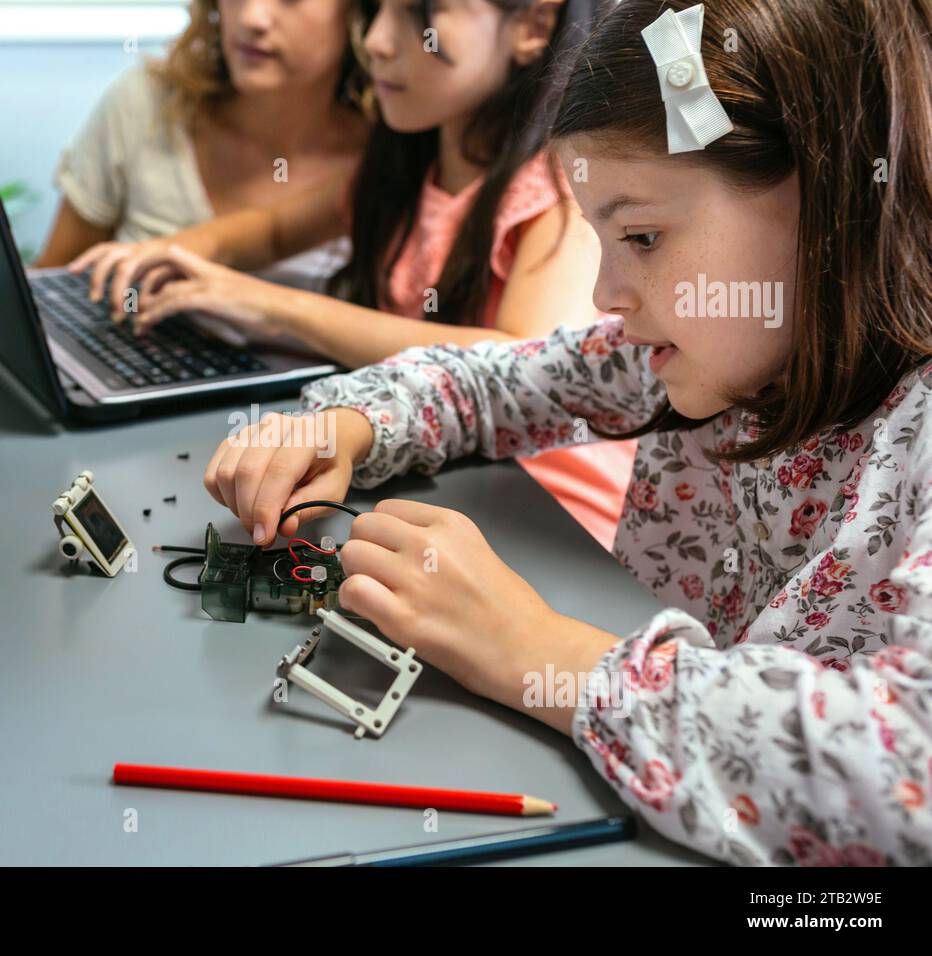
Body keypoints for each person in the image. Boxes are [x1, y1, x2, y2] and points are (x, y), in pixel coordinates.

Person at [199, 0, 932, 864]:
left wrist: (537, 653)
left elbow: (902, 772)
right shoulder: (706, 346)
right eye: (602, 240)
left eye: (645, 236)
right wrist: (349, 425)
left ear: (831, 192)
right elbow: (488, 382)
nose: (606, 295)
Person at [78, 0, 634, 549]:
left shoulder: (561, 189)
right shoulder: (407, 165)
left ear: (534, 25)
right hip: (445, 478)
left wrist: (268, 303)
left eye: (421, 14)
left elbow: (516, 360)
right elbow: (273, 231)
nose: (376, 41)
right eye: (375, 10)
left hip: (553, 518)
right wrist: (174, 251)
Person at [34, 0, 371, 291]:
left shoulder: (390, 149)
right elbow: (53, 280)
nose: (252, 17)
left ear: (361, 13)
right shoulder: (146, 103)